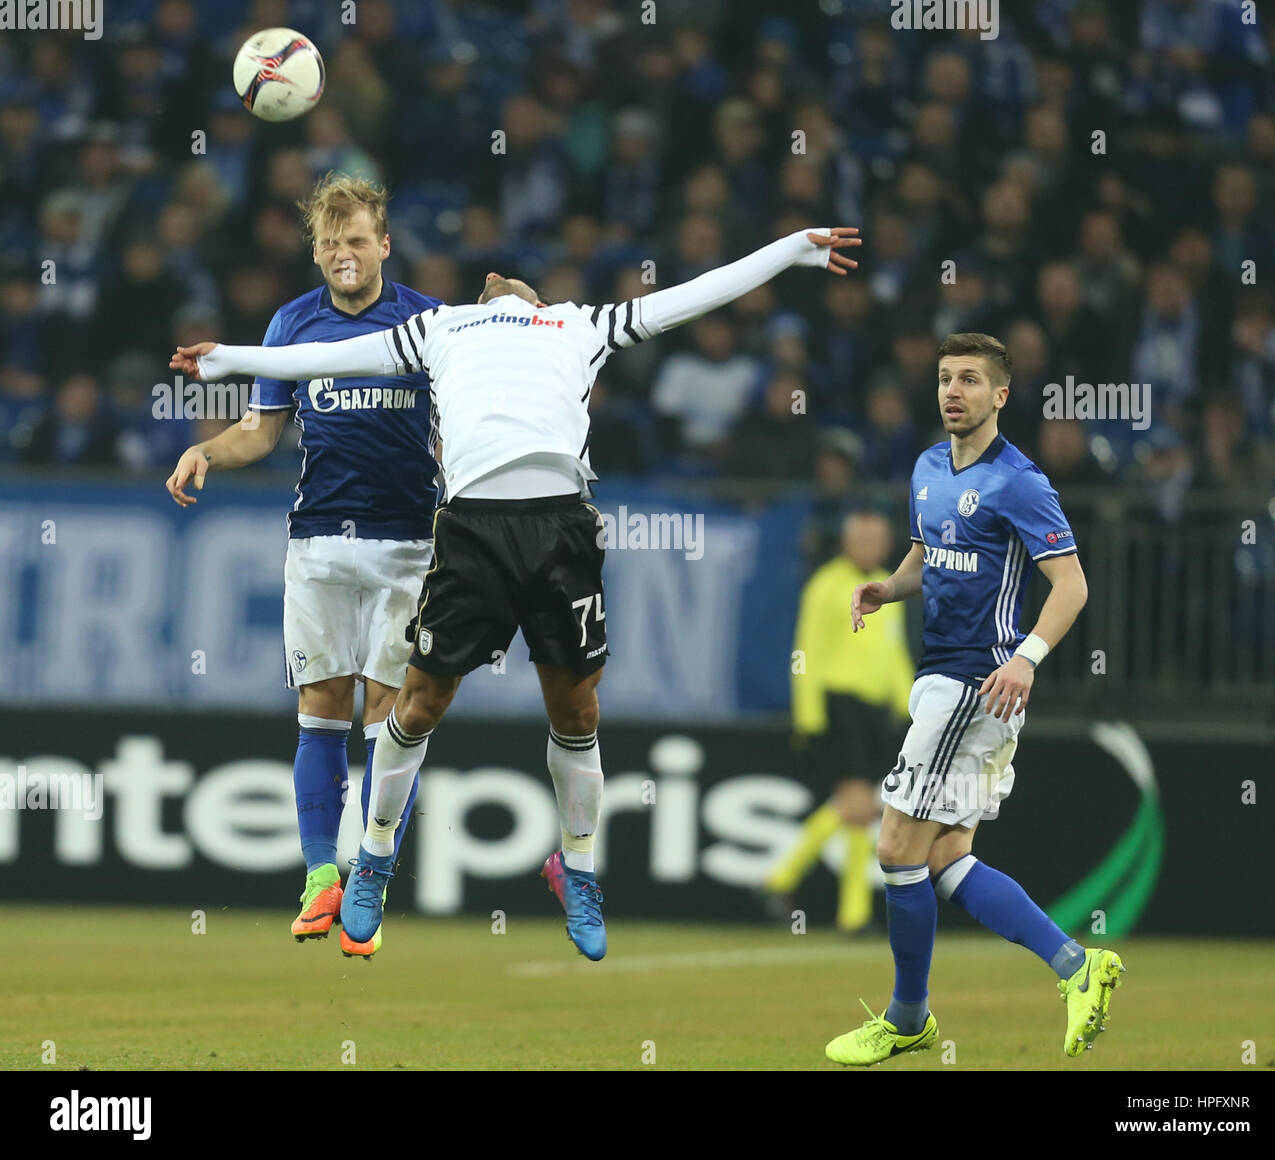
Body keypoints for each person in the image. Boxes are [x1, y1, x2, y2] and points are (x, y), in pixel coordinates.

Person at [171, 225, 862, 962]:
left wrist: (789, 249)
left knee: (576, 709)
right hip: (469, 530)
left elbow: (691, 297)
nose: (500, 276)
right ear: (485, 293)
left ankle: (579, 868)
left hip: (560, 527)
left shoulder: (577, 325)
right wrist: (232, 361)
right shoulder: (443, 328)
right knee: (419, 703)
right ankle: (371, 862)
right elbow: (326, 357)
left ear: (538, 297)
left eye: (514, 276)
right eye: (491, 276)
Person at [825, 332, 1122, 1066]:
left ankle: (907, 1017)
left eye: (969, 380)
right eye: (945, 378)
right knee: (944, 858)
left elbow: (1072, 585)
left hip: (974, 683)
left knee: (895, 846)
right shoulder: (928, 465)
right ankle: (1078, 968)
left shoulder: (1019, 481)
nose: (953, 391)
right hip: (944, 679)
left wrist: (1026, 658)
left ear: (1001, 395)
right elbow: (931, 549)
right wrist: (889, 588)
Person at [165, 175, 438, 959]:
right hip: (317, 540)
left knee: (393, 715)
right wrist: (205, 450)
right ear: (315, 251)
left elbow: (454, 429)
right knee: (321, 705)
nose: (343, 254)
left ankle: (371, 875)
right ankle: (323, 874)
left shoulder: (427, 323)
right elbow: (261, 430)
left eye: (356, 240)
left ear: (383, 244)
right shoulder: (292, 321)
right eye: (329, 243)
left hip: (409, 544)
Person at [765, 510, 912, 933]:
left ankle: (850, 913)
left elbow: (893, 650)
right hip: (839, 705)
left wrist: (907, 705)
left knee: (860, 810)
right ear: (847, 542)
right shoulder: (827, 586)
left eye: (877, 539)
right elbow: (805, 652)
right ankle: (784, 879)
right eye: (862, 539)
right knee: (857, 803)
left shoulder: (888, 585)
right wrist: (809, 718)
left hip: (876, 710)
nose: (870, 547)